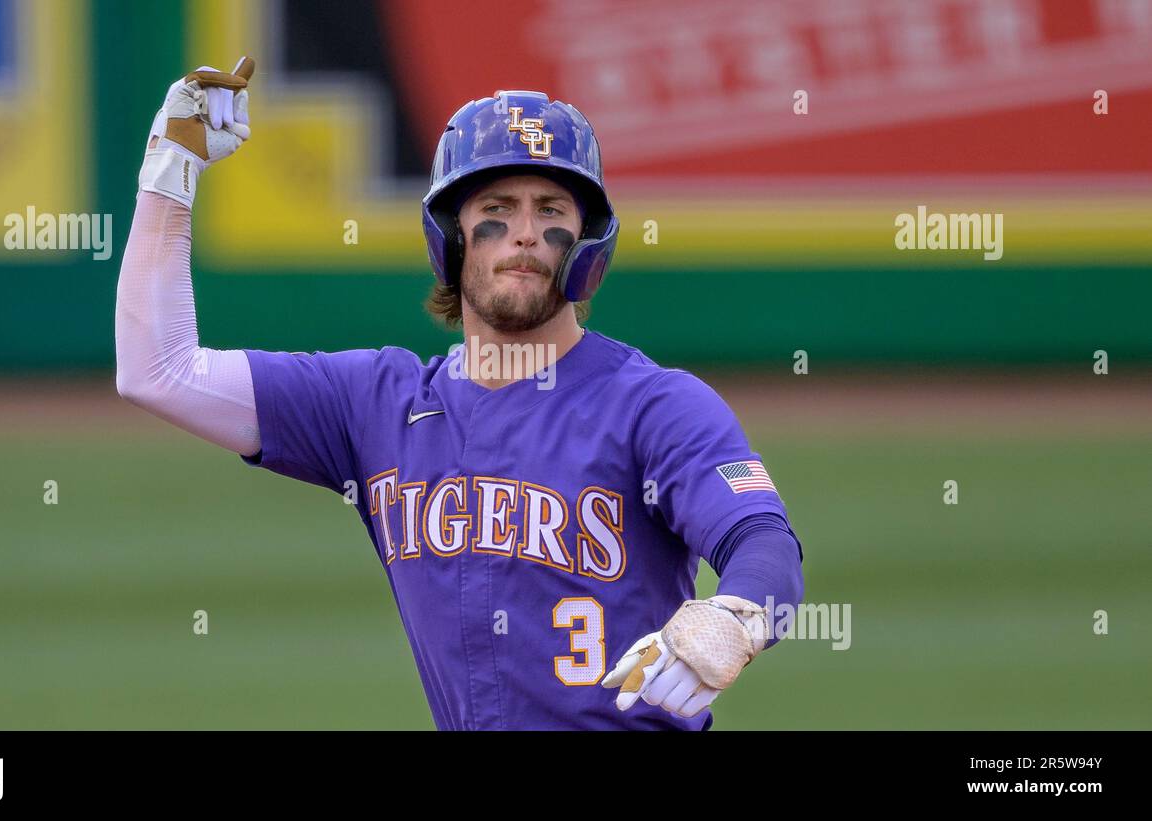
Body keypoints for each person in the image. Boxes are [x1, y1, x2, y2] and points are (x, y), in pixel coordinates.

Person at [116, 58, 805, 730]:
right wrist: (172, 171)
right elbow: (159, 369)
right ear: (451, 236)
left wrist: (735, 616)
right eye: (497, 209)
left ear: (587, 243)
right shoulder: (375, 405)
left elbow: (763, 538)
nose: (527, 232)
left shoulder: (654, 406)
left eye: (552, 209)